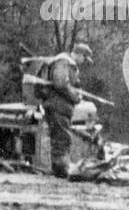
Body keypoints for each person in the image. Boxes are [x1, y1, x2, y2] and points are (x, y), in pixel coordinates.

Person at [38, 42, 93, 179]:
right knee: (62, 138)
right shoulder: (63, 61)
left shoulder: (68, 64)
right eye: (84, 59)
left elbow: (71, 84)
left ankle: (59, 169)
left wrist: (77, 91)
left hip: (61, 107)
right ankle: (61, 171)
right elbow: (61, 83)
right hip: (58, 106)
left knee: (61, 138)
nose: (83, 62)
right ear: (79, 55)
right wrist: (75, 97)